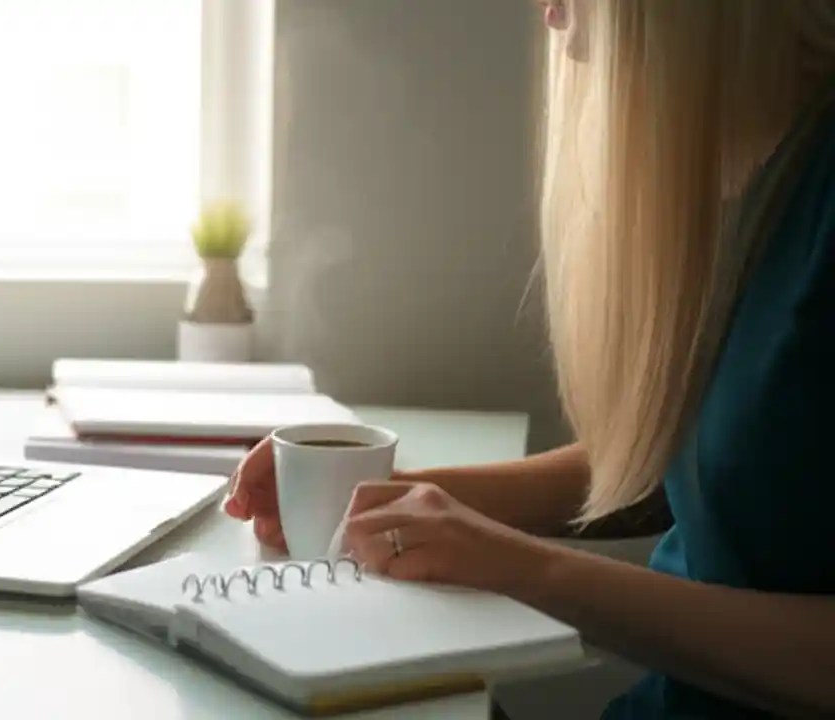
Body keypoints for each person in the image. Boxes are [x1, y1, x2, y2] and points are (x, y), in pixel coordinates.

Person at [223, 1, 835, 717]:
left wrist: (526, 570)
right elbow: (699, 463)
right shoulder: (775, 166)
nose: (549, 14)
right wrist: (393, 499)